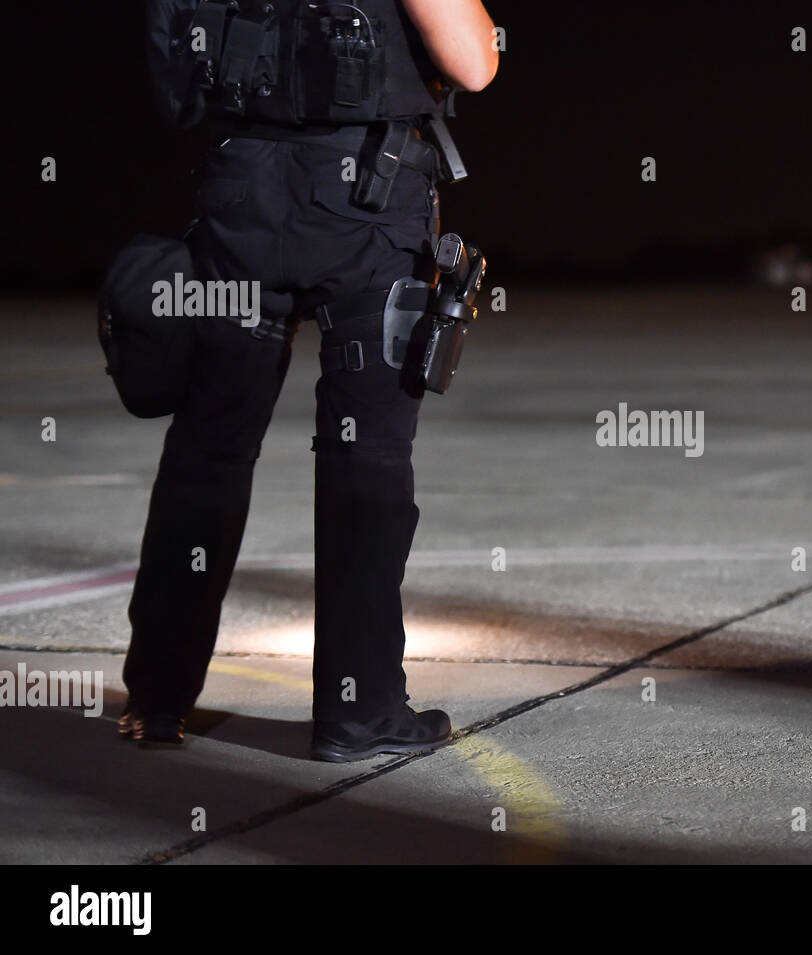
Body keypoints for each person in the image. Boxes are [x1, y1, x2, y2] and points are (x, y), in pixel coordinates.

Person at [120, 0, 498, 761]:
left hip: (240, 199)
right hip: (365, 203)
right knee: (368, 460)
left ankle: (158, 699)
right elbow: (473, 62)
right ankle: (357, 713)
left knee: (208, 451)